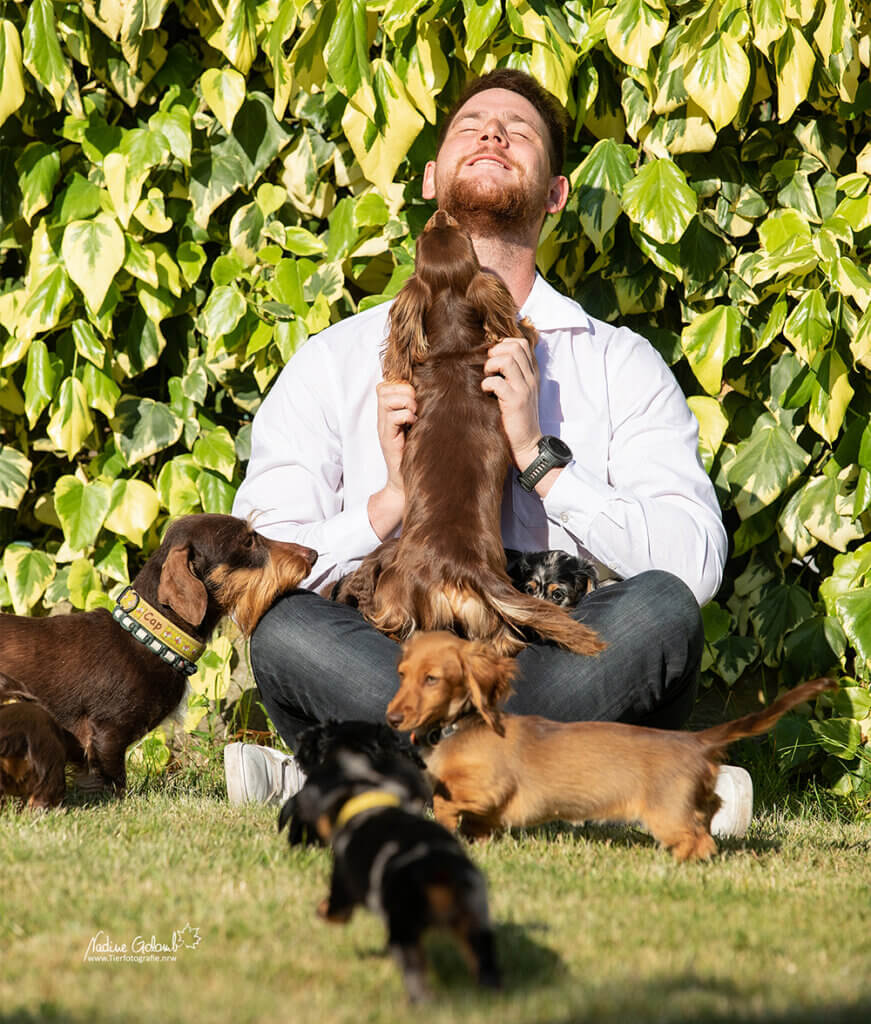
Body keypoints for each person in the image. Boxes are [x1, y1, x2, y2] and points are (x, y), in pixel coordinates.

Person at [224, 70, 750, 836]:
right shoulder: (334, 359)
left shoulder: (618, 362)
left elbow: (691, 567)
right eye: (470, 125)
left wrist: (541, 460)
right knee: (285, 627)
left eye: (518, 130)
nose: (493, 133)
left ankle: (354, 773)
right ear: (430, 176)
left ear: (555, 194)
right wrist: (388, 505)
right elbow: (257, 560)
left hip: (551, 647)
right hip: (395, 649)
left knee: (660, 612)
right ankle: (576, 787)